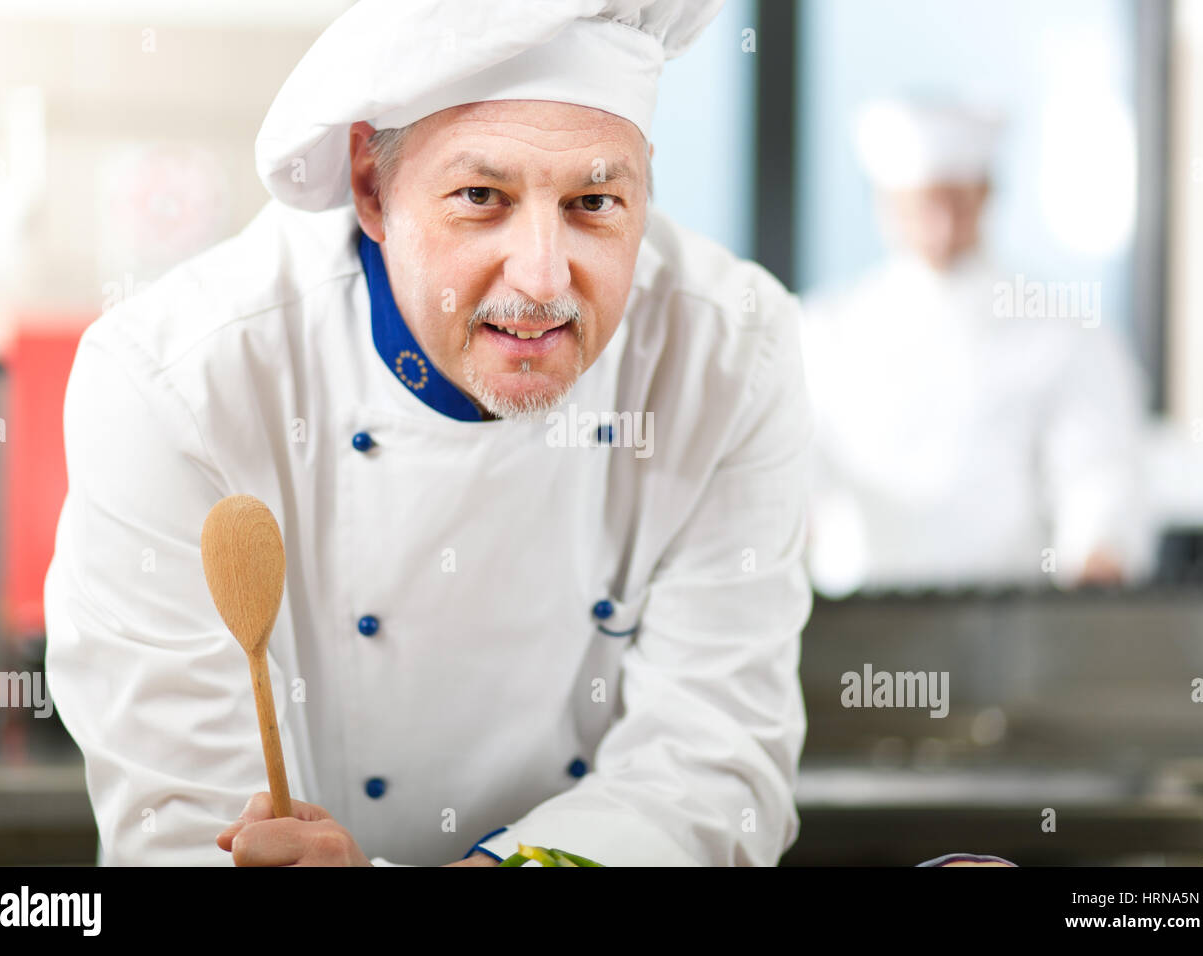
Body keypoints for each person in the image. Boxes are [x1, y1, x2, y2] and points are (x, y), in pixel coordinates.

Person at [42, 0, 817, 867]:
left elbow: (714, 773)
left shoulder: (732, 349)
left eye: (595, 201)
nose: (542, 278)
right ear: (371, 185)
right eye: (481, 197)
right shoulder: (173, 384)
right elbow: (184, 835)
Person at [802, 97, 1147, 597]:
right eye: (921, 205)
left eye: (956, 203)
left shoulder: (1063, 333)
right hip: (858, 627)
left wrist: (1099, 553)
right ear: (883, 203)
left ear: (987, 196)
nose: (939, 227)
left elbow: (1099, 474)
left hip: (1012, 629)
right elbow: (789, 468)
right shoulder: (820, 331)